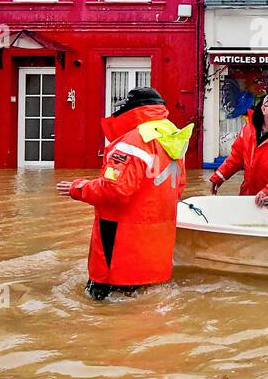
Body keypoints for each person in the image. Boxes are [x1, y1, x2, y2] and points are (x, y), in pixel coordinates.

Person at [56, 87, 193, 301]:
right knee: (146, 307)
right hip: (155, 250)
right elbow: (179, 186)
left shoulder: (131, 142)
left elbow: (115, 191)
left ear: (132, 109)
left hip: (121, 249)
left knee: (100, 309)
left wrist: (78, 188)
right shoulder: (172, 137)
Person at [210, 91, 268, 206]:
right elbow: (236, 158)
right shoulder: (248, 130)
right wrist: (218, 177)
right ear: (264, 109)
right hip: (247, 196)